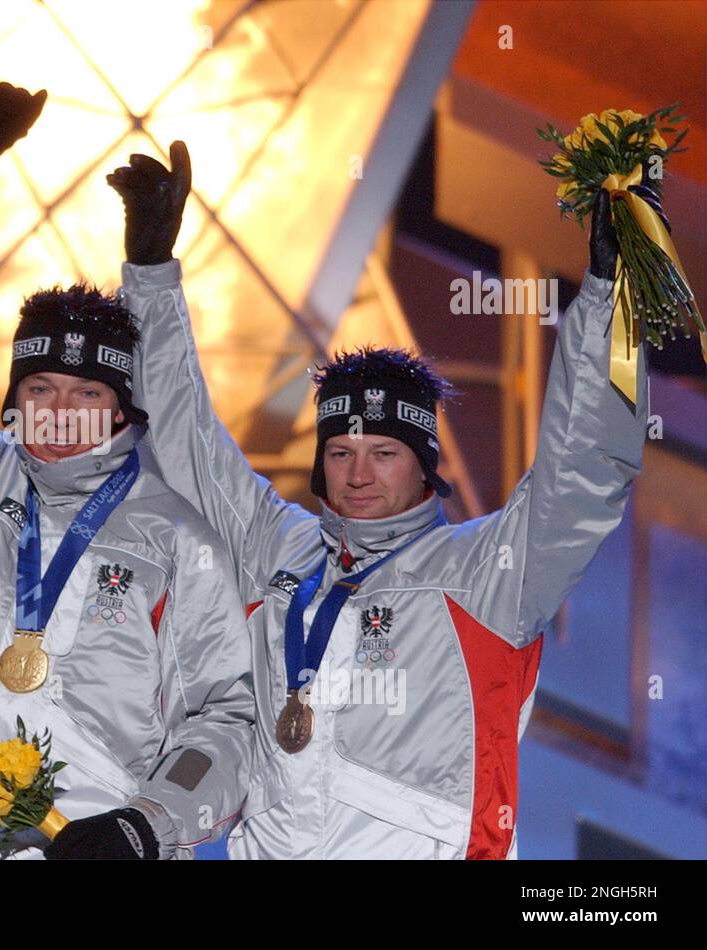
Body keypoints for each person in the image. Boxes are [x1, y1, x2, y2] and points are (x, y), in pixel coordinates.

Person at [109, 140, 655, 859]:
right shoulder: (281, 548)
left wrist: (612, 293)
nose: (358, 474)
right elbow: (185, 442)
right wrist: (150, 277)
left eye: (384, 454)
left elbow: (586, 465)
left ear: (426, 467)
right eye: (340, 453)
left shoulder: (490, 572)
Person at [0, 80, 254, 860]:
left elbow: (225, 717)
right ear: (14, 398)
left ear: (122, 409)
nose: (60, 411)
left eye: (86, 393)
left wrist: (148, 826)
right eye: (39, 389)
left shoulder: (178, 536)